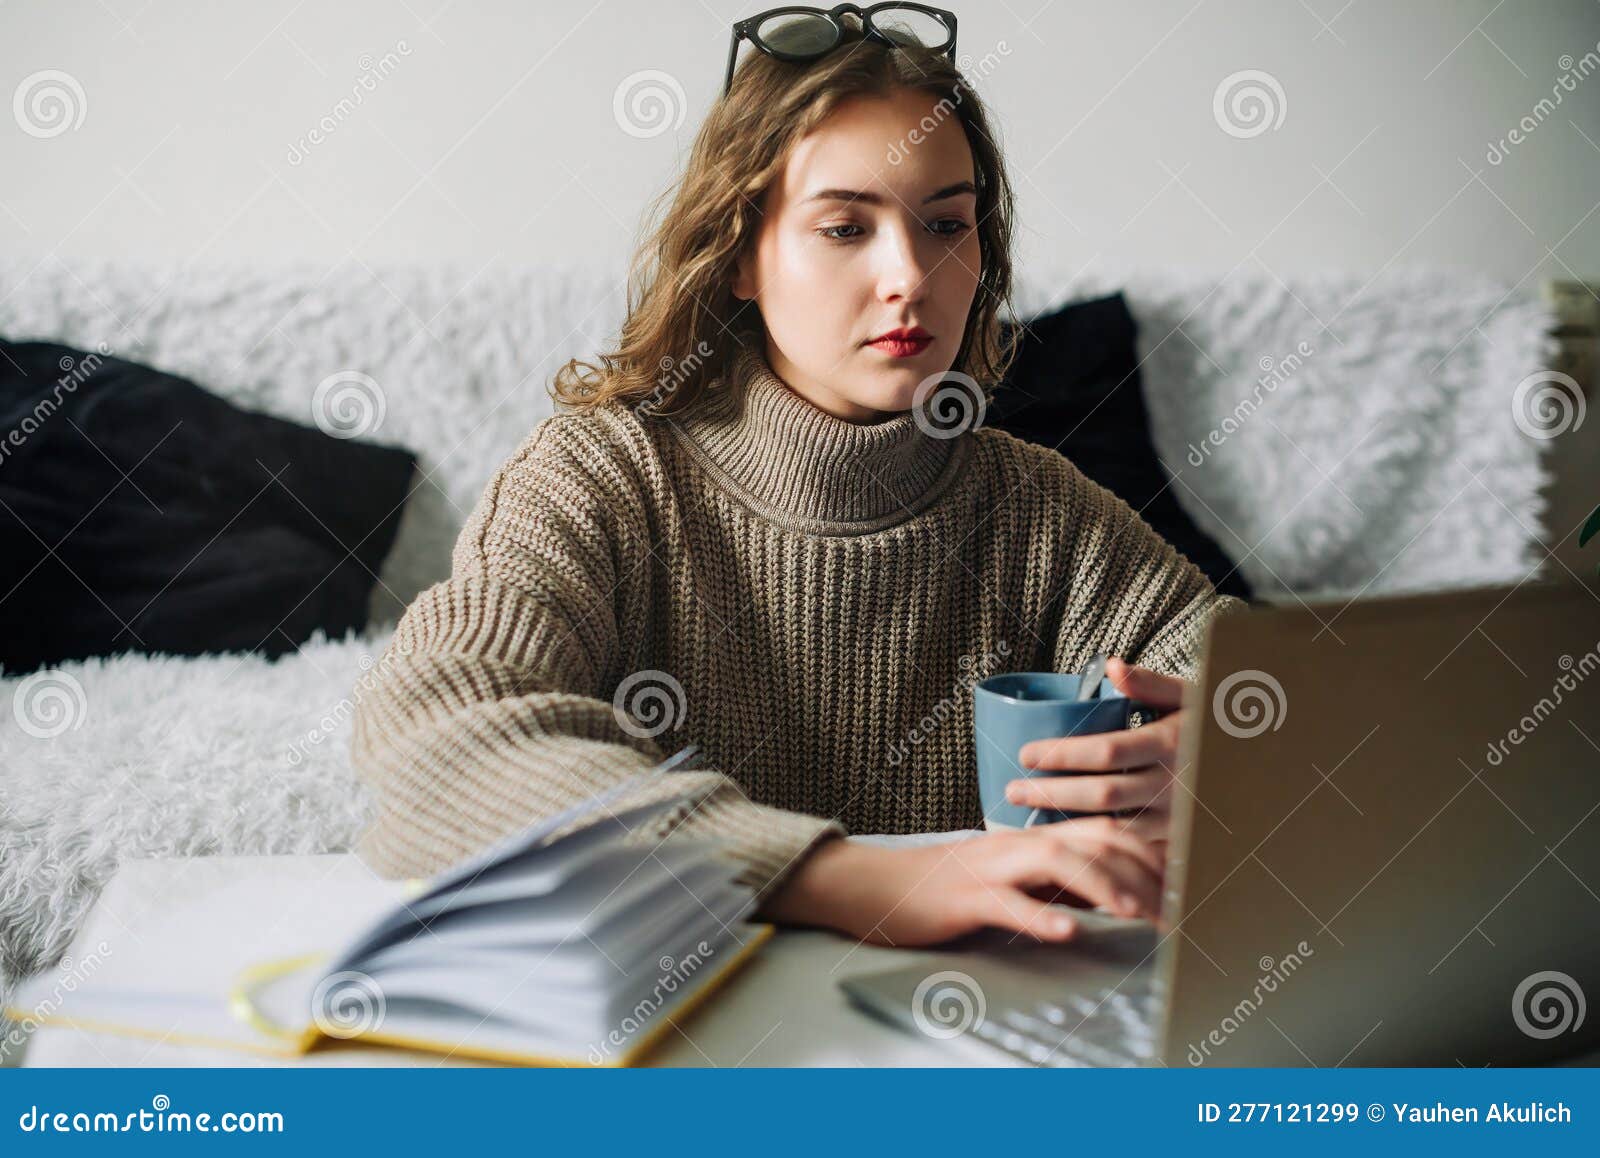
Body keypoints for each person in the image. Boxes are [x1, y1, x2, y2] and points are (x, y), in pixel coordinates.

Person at [349, 12, 1248, 949]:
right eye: (844, 226)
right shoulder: (602, 475)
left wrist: (1229, 767)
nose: (910, 274)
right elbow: (433, 742)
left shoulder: (1042, 512)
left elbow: (1286, 713)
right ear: (740, 253)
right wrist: (849, 879)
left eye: (945, 222)